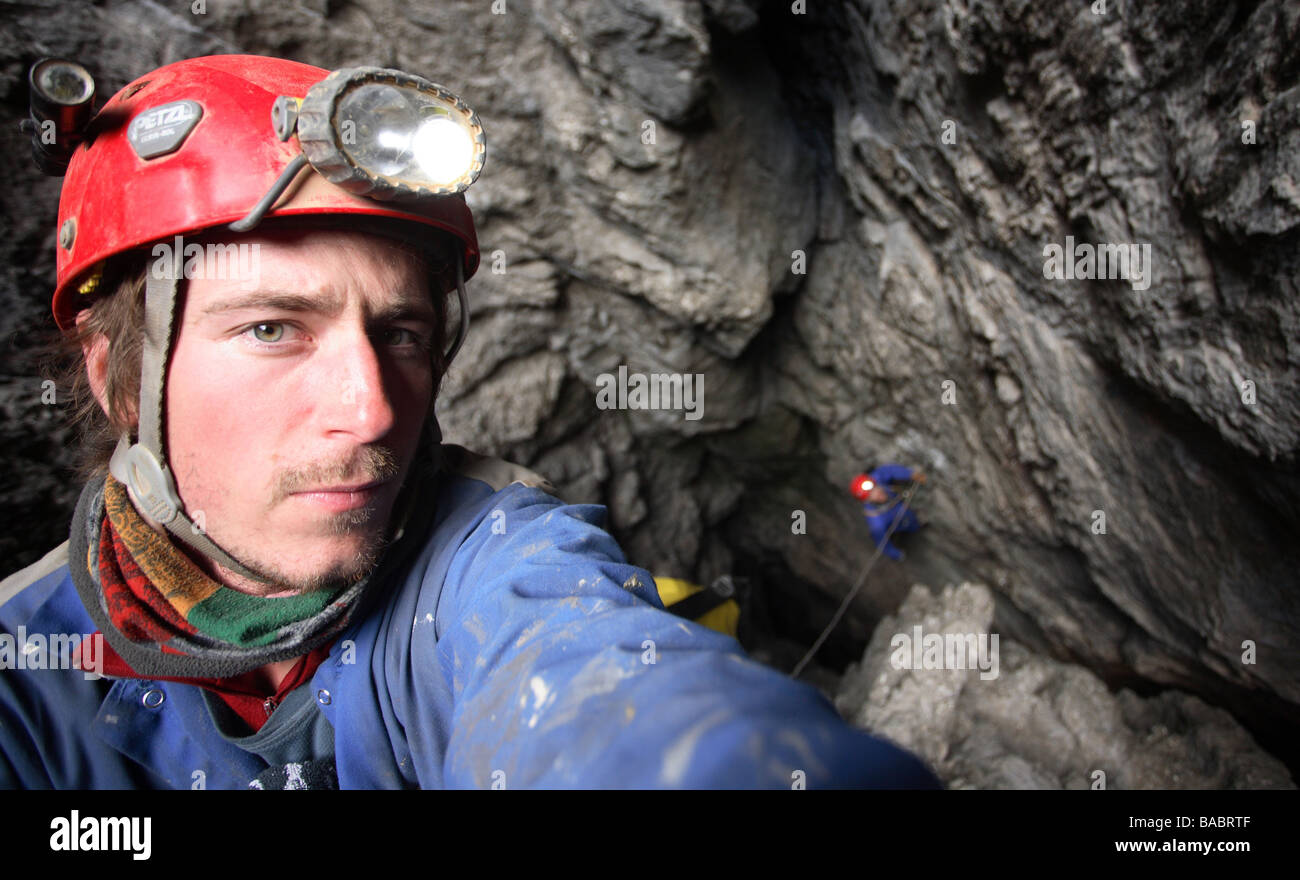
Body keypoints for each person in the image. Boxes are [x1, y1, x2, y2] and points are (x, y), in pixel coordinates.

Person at [0, 54, 941, 789]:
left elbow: (579, 668)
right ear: (117, 377)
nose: (371, 409)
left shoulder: (480, 558)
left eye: (402, 332)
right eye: (273, 328)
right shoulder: (23, 677)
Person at [850, 465, 927, 561]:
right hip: (901, 523)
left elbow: (889, 470)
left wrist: (911, 474)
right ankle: (914, 530)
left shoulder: (876, 480)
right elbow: (882, 544)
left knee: (913, 520)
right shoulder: (876, 521)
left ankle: (918, 524)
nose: (876, 493)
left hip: (903, 508)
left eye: (874, 488)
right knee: (910, 525)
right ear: (867, 500)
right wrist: (898, 555)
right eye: (870, 495)